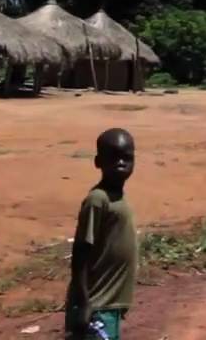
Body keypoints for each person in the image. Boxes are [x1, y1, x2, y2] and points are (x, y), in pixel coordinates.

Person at [65, 128, 137, 340]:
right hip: (96, 304)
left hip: (109, 303)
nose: (121, 163)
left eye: (127, 157)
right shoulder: (98, 199)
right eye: (113, 157)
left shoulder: (118, 197)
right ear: (98, 162)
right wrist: (83, 302)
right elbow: (80, 251)